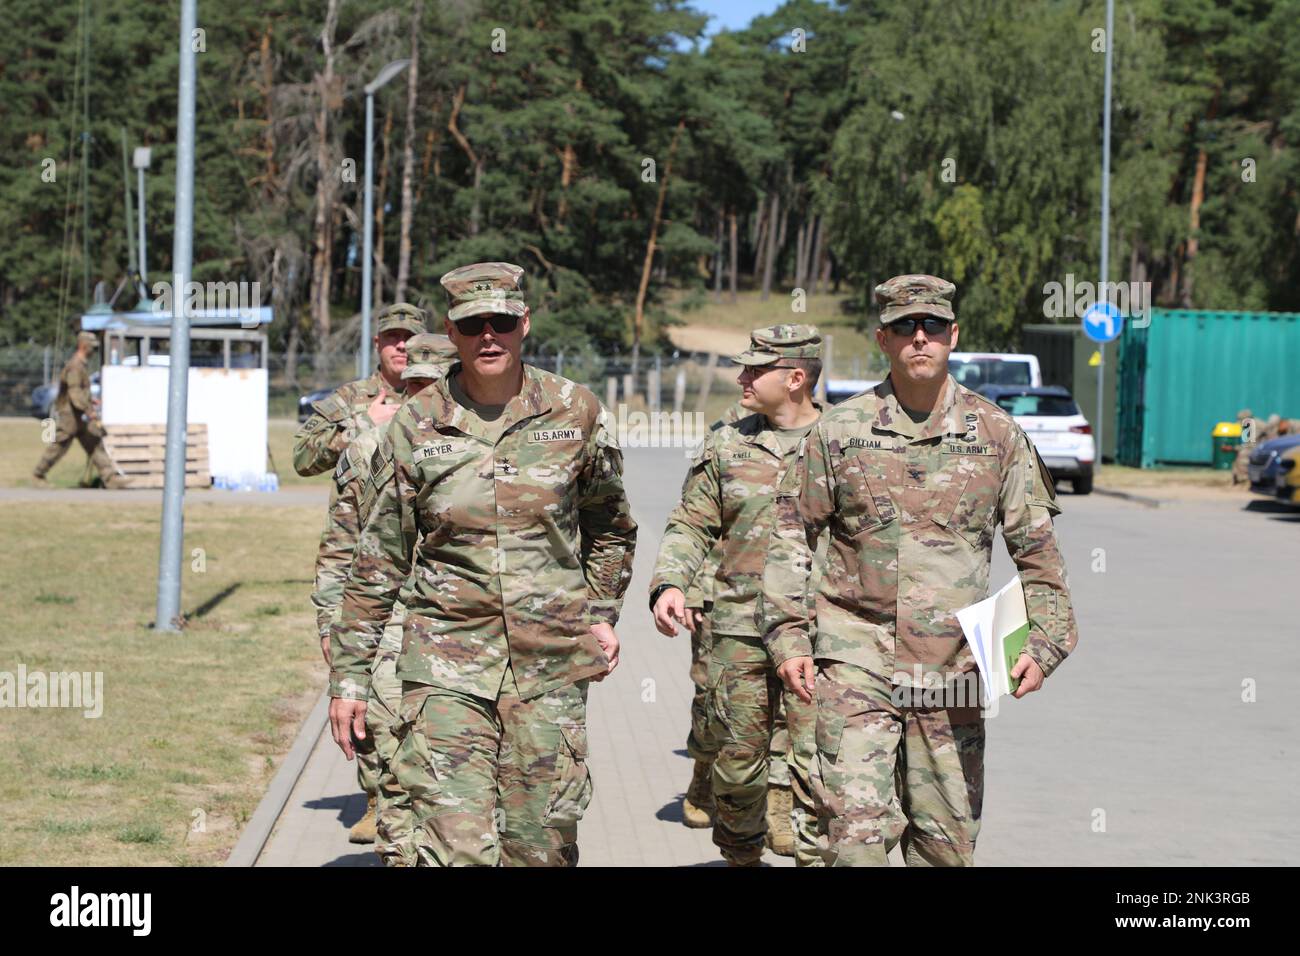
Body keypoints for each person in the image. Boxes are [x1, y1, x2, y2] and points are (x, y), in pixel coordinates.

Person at [763, 274, 1079, 867]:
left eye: (932, 325)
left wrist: (1046, 640)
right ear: (883, 339)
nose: (919, 338)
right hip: (856, 660)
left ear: (952, 336)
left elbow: (1036, 548)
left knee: (946, 848)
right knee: (853, 842)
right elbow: (789, 538)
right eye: (905, 327)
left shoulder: (997, 435)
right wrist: (787, 637)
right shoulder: (838, 433)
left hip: (955, 669)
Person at [329, 261, 637, 867]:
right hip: (444, 662)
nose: (488, 336)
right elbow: (379, 557)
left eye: (501, 321)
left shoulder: (574, 410)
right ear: (452, 330)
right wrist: (350, 679)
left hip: (550, 662)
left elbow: (611, 525)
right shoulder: (417, 423)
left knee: (540, 845)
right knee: (454, 848)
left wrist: (600, 613)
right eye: (473, 326)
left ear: (525, 323)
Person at [650, 325, 824, 866]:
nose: (741, 377)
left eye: (755, 369)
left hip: (823, 633)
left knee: (820, 762)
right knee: (737, 764)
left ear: (796, 378)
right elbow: (691, 522)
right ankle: (741, 857)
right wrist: (671, 581)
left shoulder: (844, 441)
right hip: (739, 630)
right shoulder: (728, 441)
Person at [312, 332, 455, 863]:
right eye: (409, 386)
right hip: (389, 620)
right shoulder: (367, 449)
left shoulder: (478, 449)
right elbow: (340, 543)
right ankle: (399, 848)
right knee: (393, 740)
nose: (416, 399)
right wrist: (332, 622)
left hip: (463, 626)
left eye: (430, 386)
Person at [297, 302, 426, 842]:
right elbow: (303, 457)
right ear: (378, 344)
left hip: (427, 577)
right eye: (392, 338)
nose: (401, 347)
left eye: (410, 339)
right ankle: (377, 798)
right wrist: (359, 428)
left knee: (407, 695)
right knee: (368, 693)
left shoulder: (447, 400)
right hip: (361, 574)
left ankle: (413, 801)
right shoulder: (351, 400)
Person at [32, 331, 128, 488]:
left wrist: (91, 401)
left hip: (79, 414)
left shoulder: (81, 365)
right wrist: (88, 410)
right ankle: (38, 475)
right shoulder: (75, 366)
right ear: (83, 346)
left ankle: (110, 479)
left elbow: (81, 392)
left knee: (95, 443)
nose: (94, 351)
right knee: (59, 445)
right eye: (92, 347)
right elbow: (75, 393)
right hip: (70, 415)